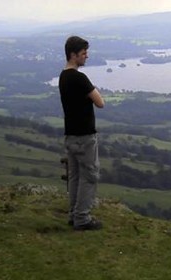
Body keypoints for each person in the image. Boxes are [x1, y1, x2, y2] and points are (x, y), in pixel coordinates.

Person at [58, 36, 105, 231]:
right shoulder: (80, 78)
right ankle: (82, 218)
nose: (87, 56)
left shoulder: (63, 77)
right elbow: (100, 102)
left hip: (70, 135)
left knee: (75, 177)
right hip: (85, 137)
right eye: (83, 53)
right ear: (73, 55)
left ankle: (74, 215)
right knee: (89, 176)